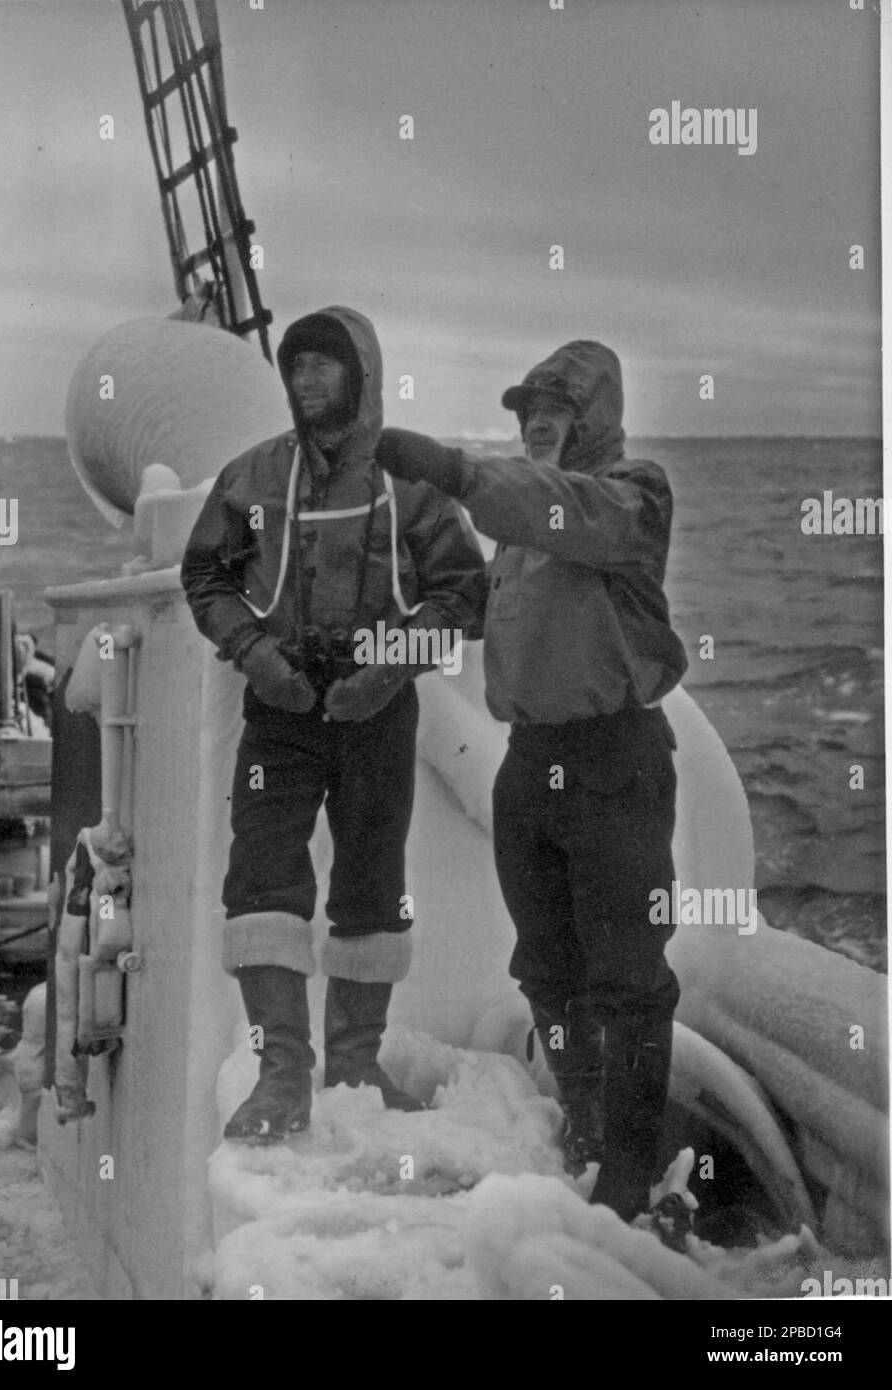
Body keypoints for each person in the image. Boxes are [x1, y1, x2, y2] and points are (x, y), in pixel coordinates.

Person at [377, 340, 689, 1235]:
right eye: (525, 410)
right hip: (530, 764)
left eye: (554, 409)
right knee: (547, 970)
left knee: (628, 978)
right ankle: (587, 1139)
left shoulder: (632, 496)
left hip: (614, 759)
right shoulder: (520, 530)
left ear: (595, 416)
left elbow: (556, 509)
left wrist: (454, 468)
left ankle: (630, 1178)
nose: (535, 422)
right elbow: (470, 601)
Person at [181, 306, 485, 1145]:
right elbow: (205, 572)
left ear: (361, 374)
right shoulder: (253, 478)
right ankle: (282, 1072)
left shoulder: (408, 482)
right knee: (262, 879)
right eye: (296, 366)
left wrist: (388, 669)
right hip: (278, 710)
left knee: (373, 881)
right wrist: (253, 652)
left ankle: (356, 1061)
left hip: (378, 711)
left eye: (324, 365)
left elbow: (464, 591)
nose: (307, 380)